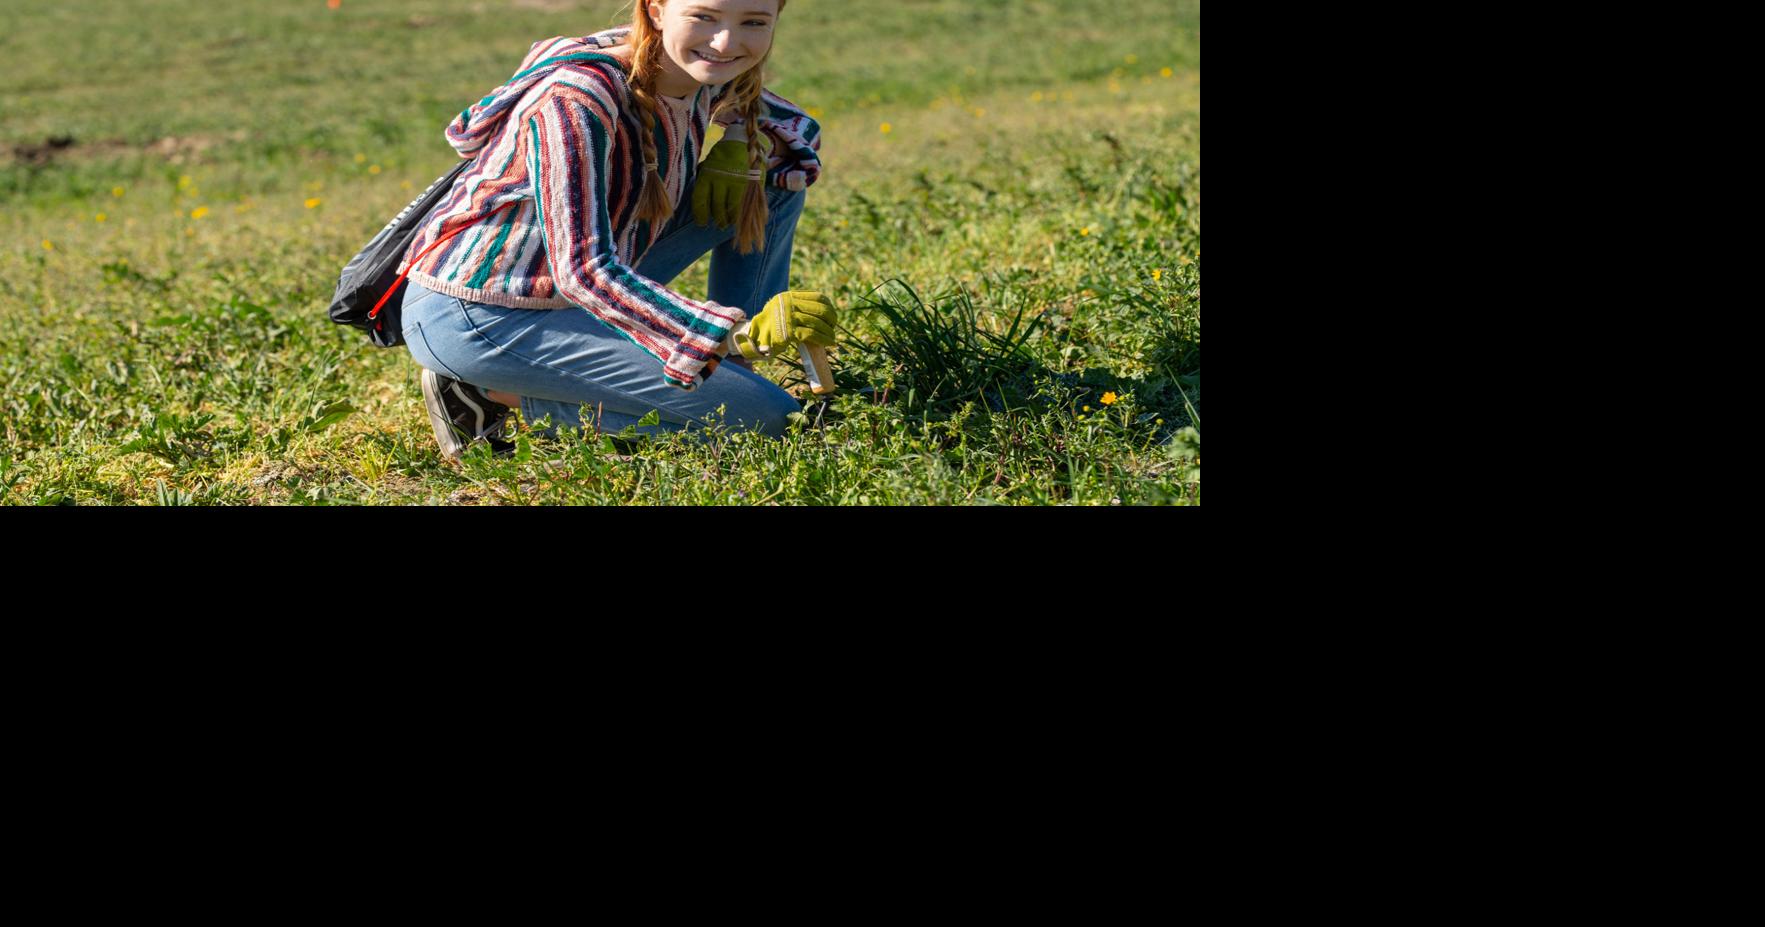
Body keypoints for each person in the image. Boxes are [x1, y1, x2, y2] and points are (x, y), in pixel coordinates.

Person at [395, 0, 838, 461]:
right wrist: (726, 332)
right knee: (771, 423)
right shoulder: (576, 97)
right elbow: (582, 270)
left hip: (572, 288)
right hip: (482, 312)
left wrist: (743, 141)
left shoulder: (707, 70)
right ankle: (485, 393)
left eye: (754, 22)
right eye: (704, 16)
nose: (725, 42)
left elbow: (798, 129)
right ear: (656, 10)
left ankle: (740, 370)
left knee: (768, 181)